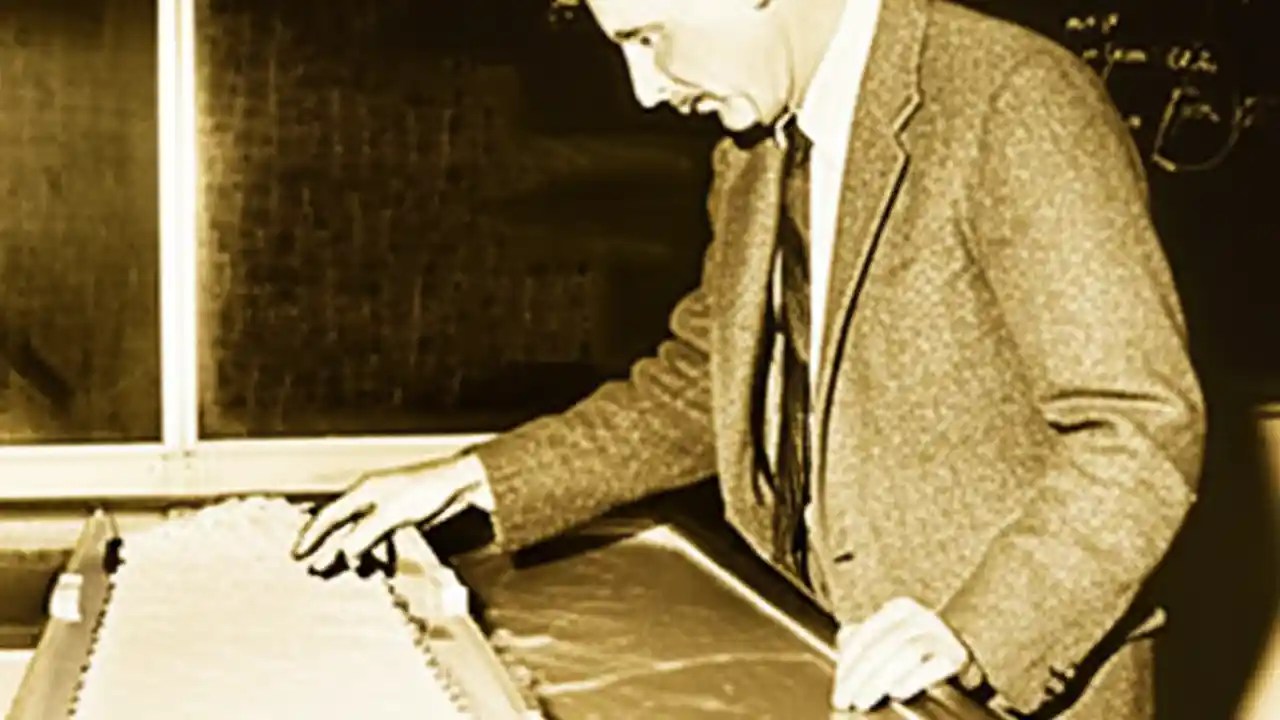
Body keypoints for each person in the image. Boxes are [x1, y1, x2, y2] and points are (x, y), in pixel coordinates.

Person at [292, 0, 1206, 716]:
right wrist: (473, 479)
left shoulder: (1010, 98)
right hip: (829, 652)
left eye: (649, 37)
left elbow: (1136, 429)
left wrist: (976, 629)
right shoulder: (757, 147)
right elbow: (708, 381)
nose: (646, 89)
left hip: (984, 689)